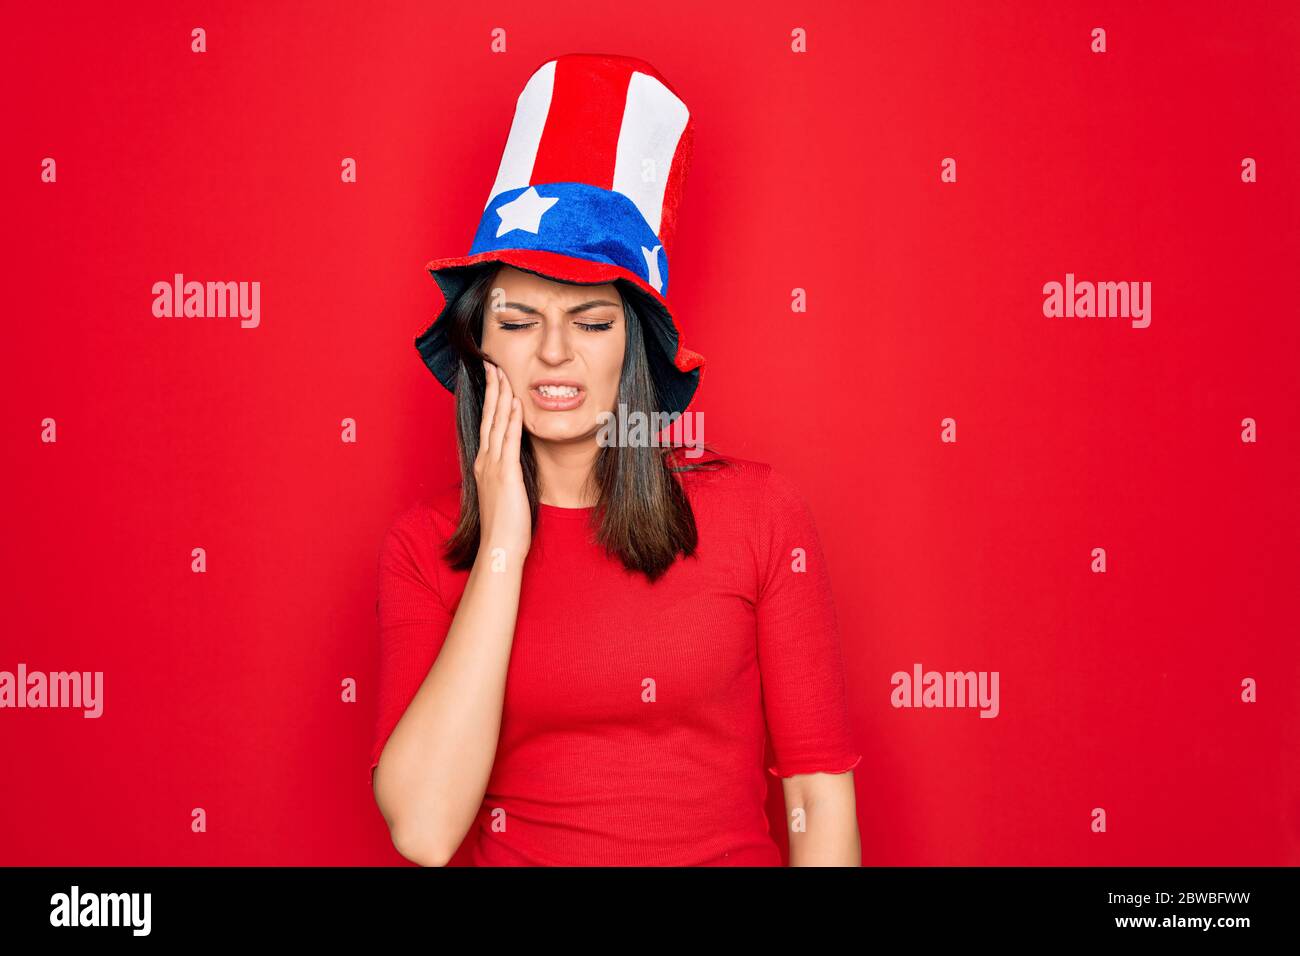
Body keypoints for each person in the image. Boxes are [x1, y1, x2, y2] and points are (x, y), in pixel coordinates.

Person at [369, 53, 861, 866]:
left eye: (592, 322)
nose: (555, 353)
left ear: (633, 346)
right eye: (519, 319)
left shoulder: (760, 514)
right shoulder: (423, 548)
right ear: (478, 344)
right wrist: (501, 547)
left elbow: (816, 793)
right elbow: (424, 830)